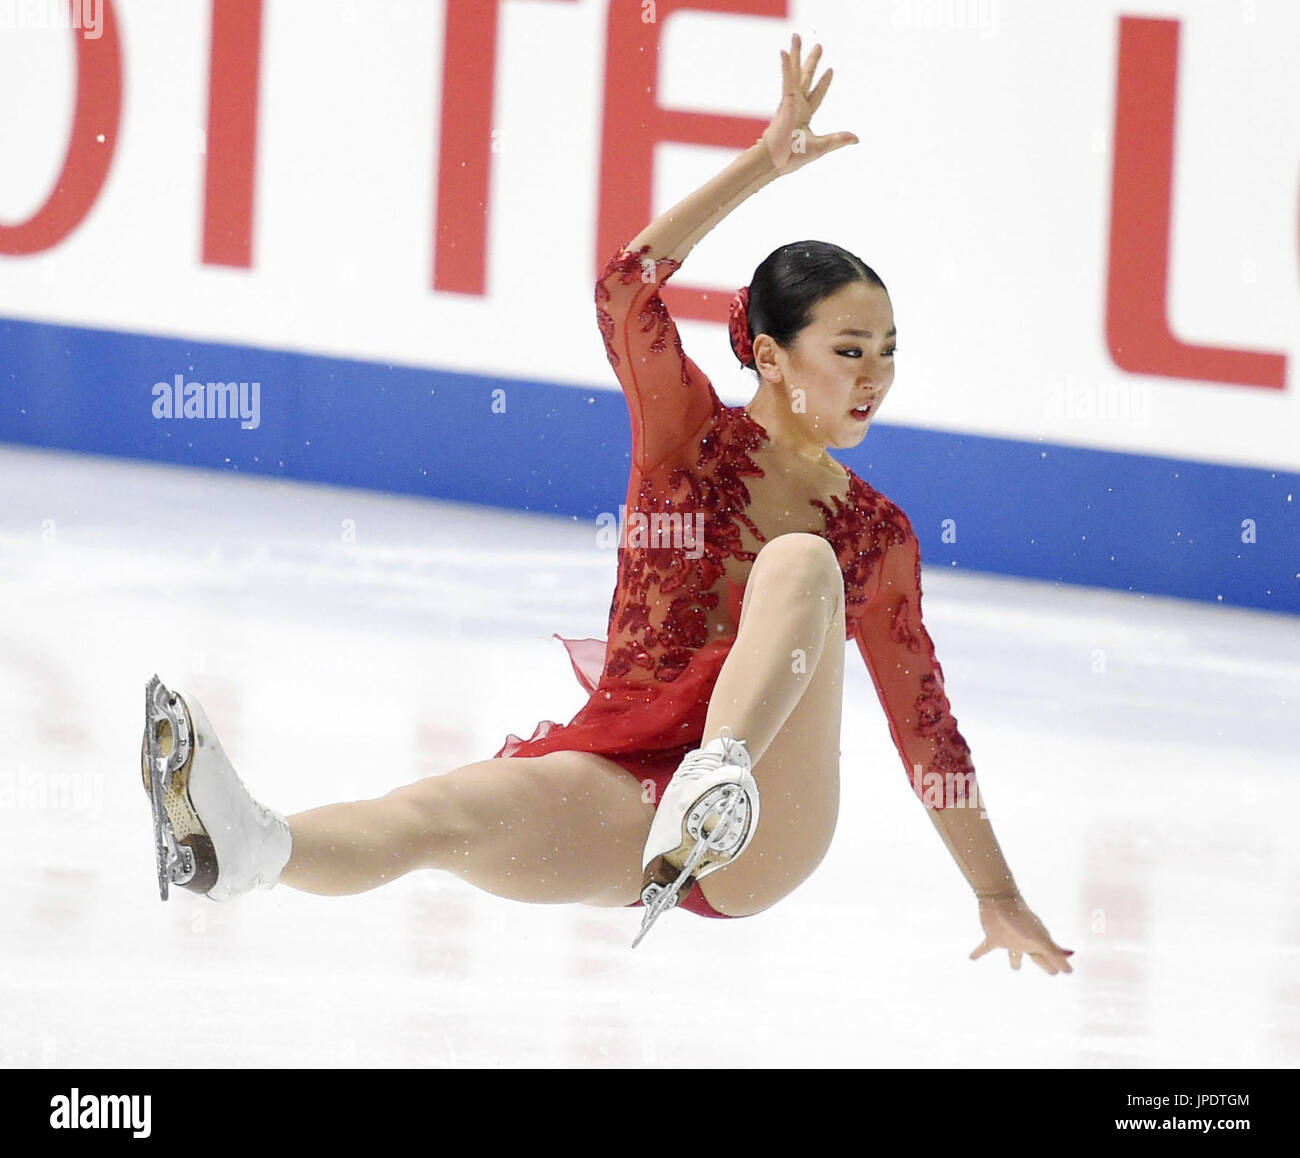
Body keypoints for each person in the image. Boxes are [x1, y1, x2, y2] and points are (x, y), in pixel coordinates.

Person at [141, 34, 1072, 972]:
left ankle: (719, 776)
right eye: (850, 348)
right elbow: (627, 288)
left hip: (770, 821)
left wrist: (997, 894)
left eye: (888, 350)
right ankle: (246, 848)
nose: (876, 375)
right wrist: (760, 163)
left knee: (802, 559)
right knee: (438, 812)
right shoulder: (687, 435)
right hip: (630, 787)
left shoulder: (875, 531)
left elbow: (928, 731)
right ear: (772, 354)